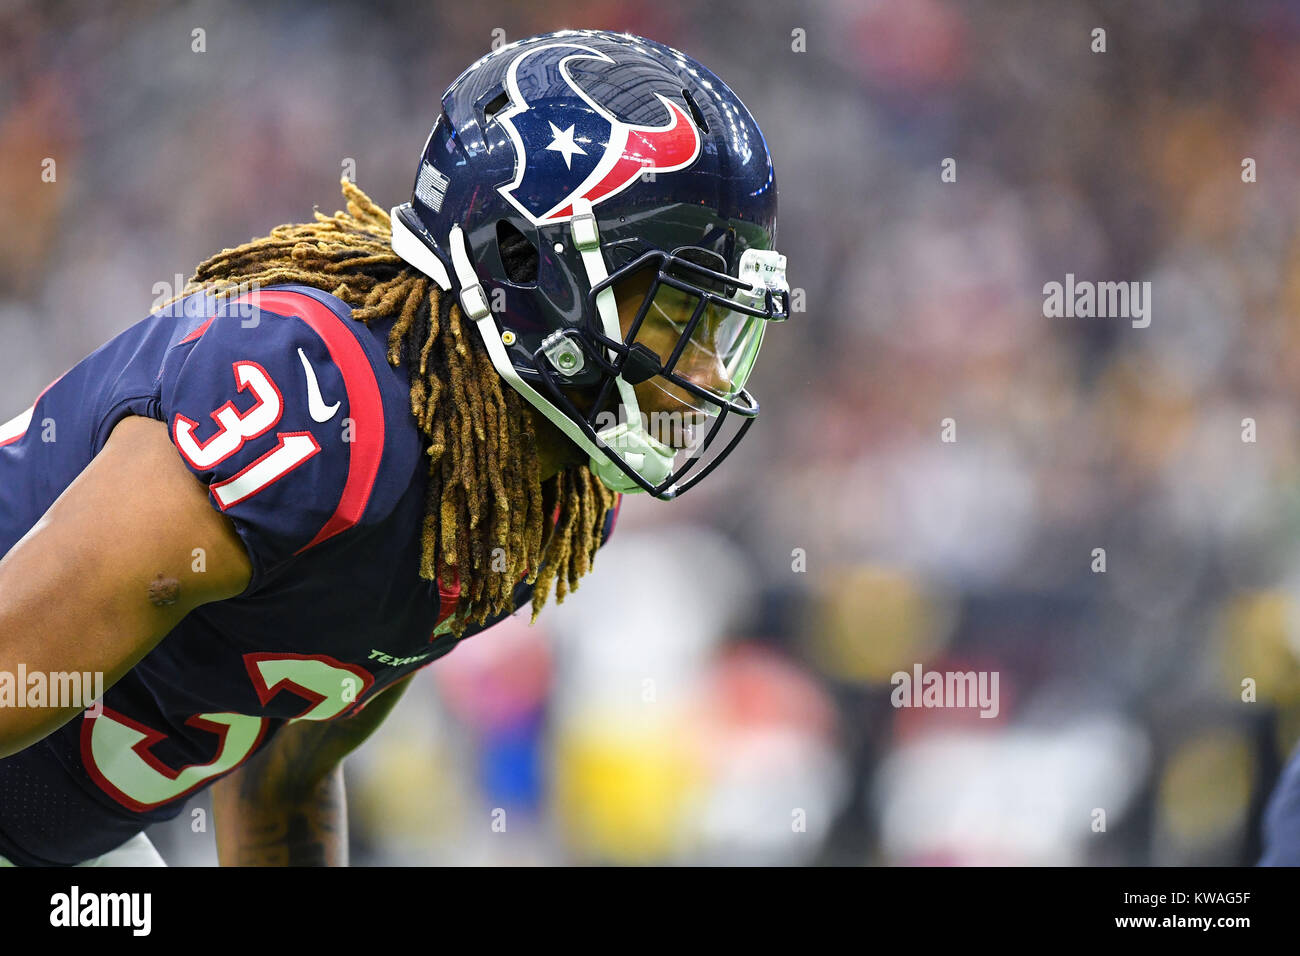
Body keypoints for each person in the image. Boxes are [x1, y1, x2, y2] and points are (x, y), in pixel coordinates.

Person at [0, 28, 789, 866]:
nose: (703, 369)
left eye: (721, 325)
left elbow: (284, 772)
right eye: (676, 316)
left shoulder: (522, 496)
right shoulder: (315, 403)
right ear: (524, 259)